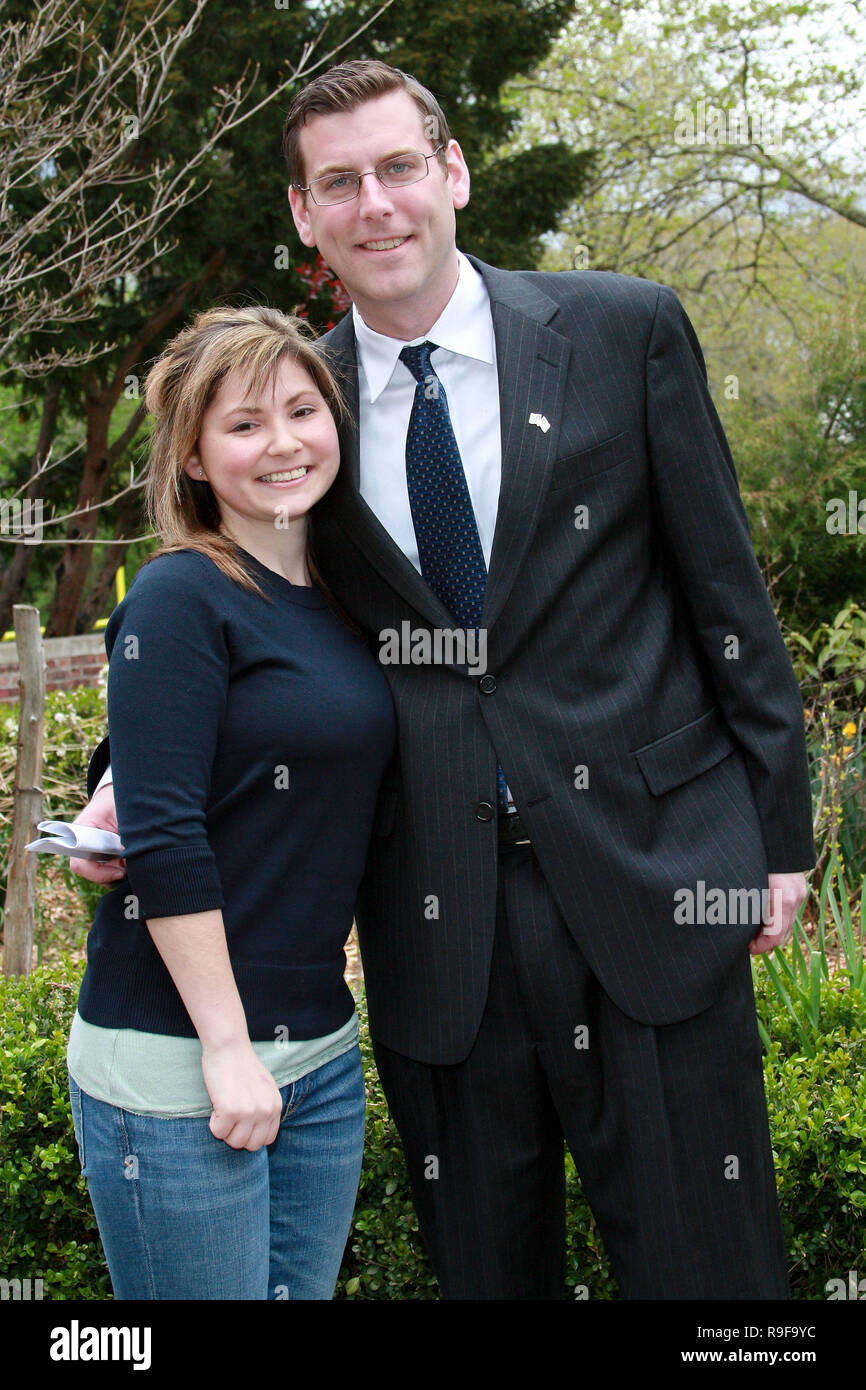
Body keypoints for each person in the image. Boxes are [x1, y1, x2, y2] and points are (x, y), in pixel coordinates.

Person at [75, 60, 814, 1300]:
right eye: (338, 183)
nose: (376, 205)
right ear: (304, 216)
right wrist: (119, 787)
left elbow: (726, 599)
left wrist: (776, 837)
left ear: (452, 172)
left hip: (652, 879)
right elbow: (239, 617)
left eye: (398, 167)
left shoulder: (623, 330)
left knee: (715, 1282)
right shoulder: (293, 411)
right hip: (436, 922)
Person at [65, 304, 395, 1300]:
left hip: (321, 1053)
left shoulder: (345, 599)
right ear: (197, 458)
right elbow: (165, 829)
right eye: (244, 424)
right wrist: (226, 1051)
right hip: (180, 1057)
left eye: (302, 409)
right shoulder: (179, 595)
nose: (283, 442)